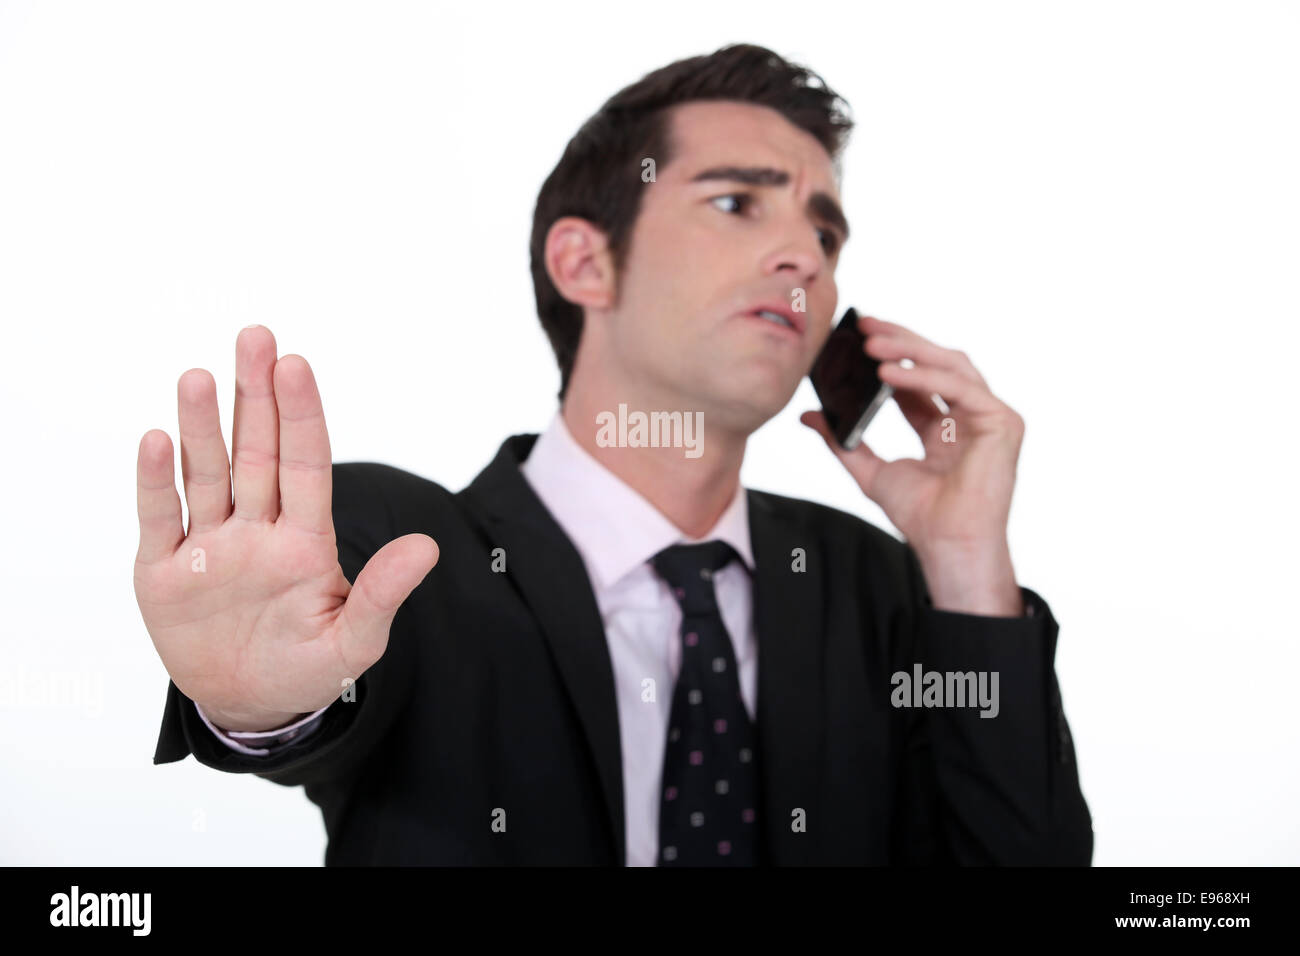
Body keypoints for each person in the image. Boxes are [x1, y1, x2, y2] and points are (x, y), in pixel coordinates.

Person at [138, 43, 1093, 866]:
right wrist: (262, 712)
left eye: (825, 230)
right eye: (736, 204)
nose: (806, 255)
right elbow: (317, 684)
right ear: (583, 262)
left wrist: (967, 565)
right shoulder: (402, 550)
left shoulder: (882, 587)